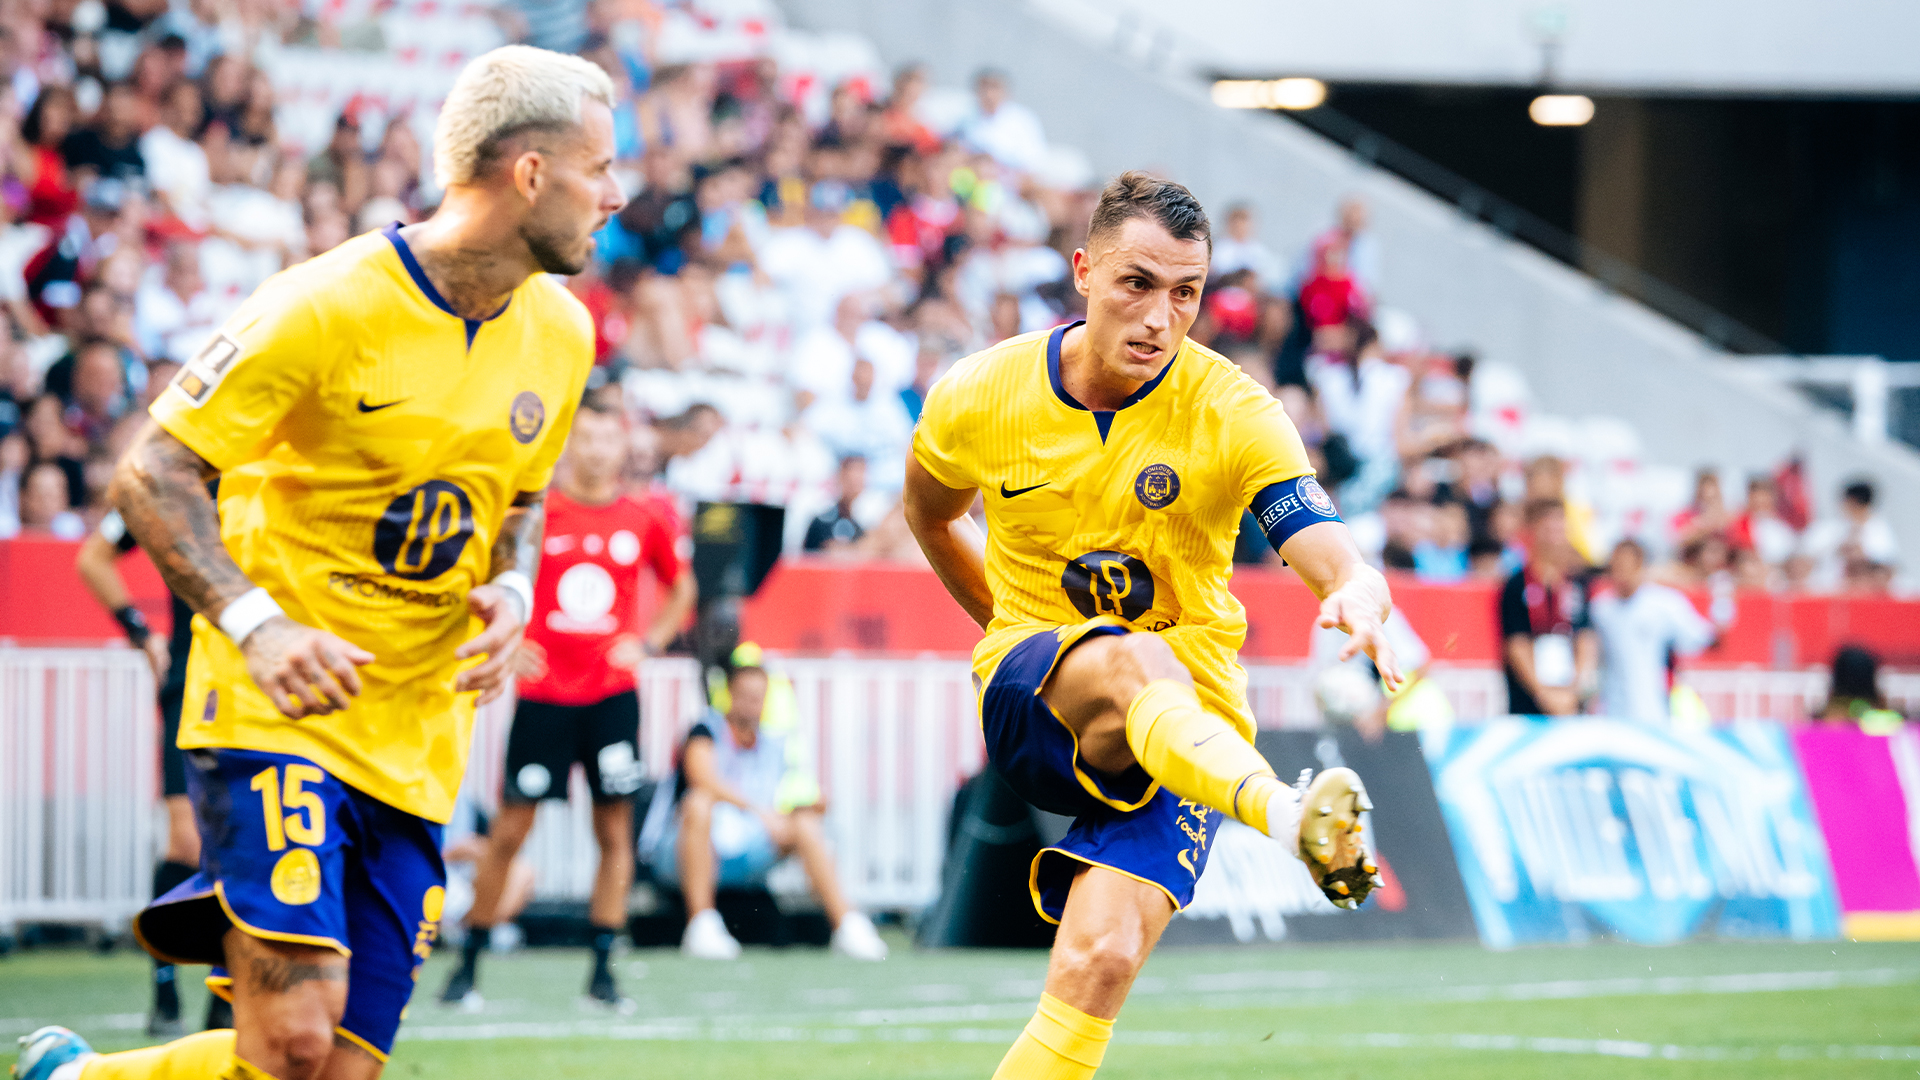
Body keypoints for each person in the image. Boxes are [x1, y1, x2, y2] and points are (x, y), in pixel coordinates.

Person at [16, 45, 624, 1080]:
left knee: (336, 1068)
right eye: (599, 169)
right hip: (276, 712)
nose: (615, 196)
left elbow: (521, 496)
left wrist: (515, 585)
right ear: (529, 174)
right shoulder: (324, 302)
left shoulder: (563, 333)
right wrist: (258, 626)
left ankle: (77, 1078)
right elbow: (150, 473)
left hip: (418, 734)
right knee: (296, 1039)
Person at [902, 172, 1397, 1080]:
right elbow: (931, 515)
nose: (1160, 318)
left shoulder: (1235, 410)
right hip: (1041, 698)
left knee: (1101, 958)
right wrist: (1006, 624)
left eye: (1185, 293)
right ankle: (1288, 816)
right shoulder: (980, 394)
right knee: (1135, 660)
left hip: (1191, 733)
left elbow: (1316, 535)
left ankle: (1277, 811)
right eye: (1137, 283)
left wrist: (1356, 586)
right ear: (1084, 271)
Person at [439, 398, 693, 1011]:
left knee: (614, 833)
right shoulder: (537, 513)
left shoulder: (643, 516)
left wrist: (648, 643)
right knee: (509, 833)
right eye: (586, 438)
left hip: (612, 699)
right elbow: (487, 576)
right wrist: (512, 638)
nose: (597, 450)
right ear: (569, 444)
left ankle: (603, 973)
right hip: (543, 697)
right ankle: (467, 966)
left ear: (623, 446)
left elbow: (682, 586)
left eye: (608, 438)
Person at [74, 506, 235, 1037]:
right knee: (187, 843)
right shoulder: (170, 480)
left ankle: (227, 997)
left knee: (246, 843)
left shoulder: (272, 475)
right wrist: (140, 632)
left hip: (266, 685)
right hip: (192, 685)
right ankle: (164, 990)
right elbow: (94, 558)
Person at [645, 655, 889, 962]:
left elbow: (787, 798)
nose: (752, 704)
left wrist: (807, 807)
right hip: (685, 849)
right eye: (745, 696)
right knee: (698, 804)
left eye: (758, 697)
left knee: (806, 823)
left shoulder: (774, 743)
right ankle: (701, 924)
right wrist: (758, 811)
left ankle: (847, 924)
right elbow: (701, 779)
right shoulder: (704, 730)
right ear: (730, 694)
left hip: (748, 845)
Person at [1588, 539, 1720, 724]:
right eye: (1616, 567)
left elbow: (1703, 637)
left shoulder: (1664, 604)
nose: (1621, 573)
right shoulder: (1601, 608)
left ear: (1640, 566)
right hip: (1613, 711)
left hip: (1655, 710)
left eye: (1626, 566)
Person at [1500, 498, 1597, 716]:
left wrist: (1574, 691)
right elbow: (1516, 644)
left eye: (1560, 529)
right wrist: (1542, 693)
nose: (1555, 536)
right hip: (1528, 701)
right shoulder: (1517, 585)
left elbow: (1585, 638)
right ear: (1534, 531)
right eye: (1548, 529)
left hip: (1570, 698)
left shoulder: (1576, 584)